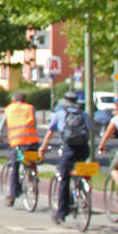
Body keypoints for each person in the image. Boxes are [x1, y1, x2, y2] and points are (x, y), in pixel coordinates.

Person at [39, 91, 92, 222]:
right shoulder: (84, 114)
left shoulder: (59, 114)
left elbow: (50, 131)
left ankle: (62, 213)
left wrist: (43, 147)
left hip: (69, 149)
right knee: (81, 171)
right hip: (84, 149)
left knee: (64, 179)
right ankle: (84, 192)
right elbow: (91, 129)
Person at [0, 89, 41, 206]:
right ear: (25, 100)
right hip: (32, 142)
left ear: (14, 100)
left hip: (17, 143)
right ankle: (33, 181)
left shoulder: (9, 109)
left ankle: (12, 196)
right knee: (30, 163)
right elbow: (35, 124)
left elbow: (2, 125)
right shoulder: (30, 108)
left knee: (15, 168)